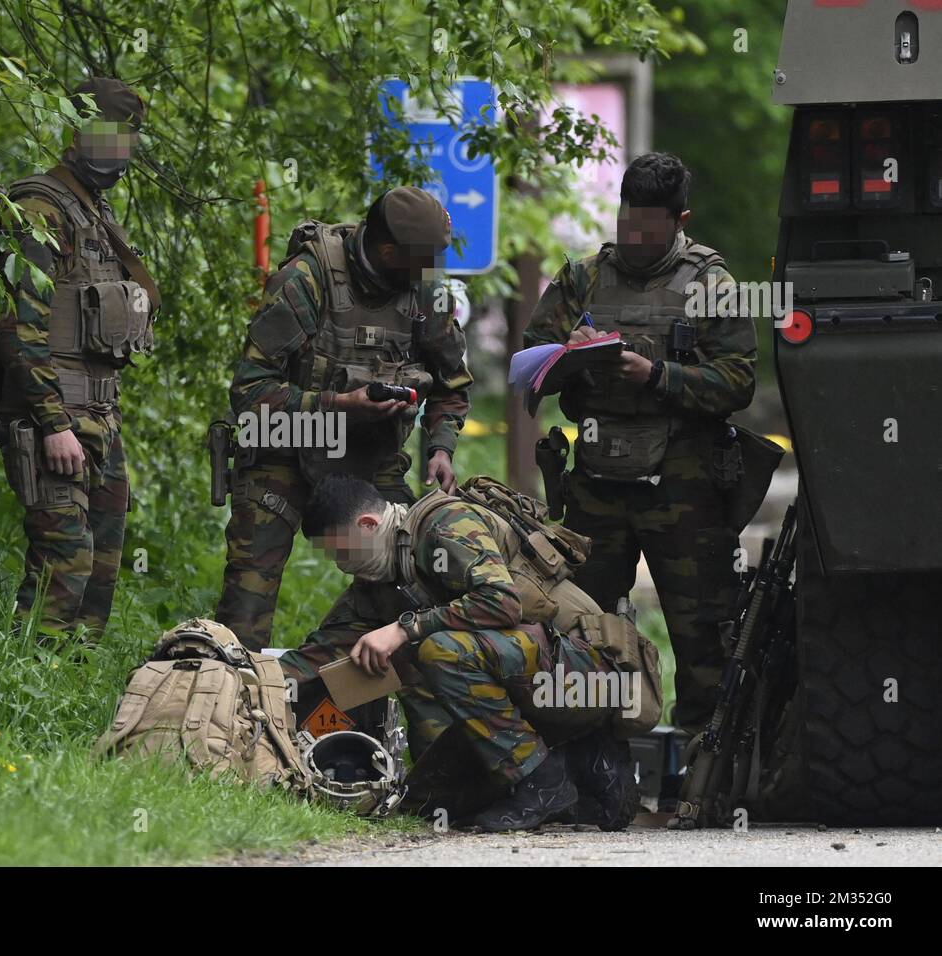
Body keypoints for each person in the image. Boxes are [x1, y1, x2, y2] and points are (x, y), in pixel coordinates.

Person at [525, 152, 756, 732]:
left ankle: (701, 780)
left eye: (652, 227)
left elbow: (739, 379)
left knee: (704, 634)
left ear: (681, 220)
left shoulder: (711, 283)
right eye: (629, 222)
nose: (637, 238)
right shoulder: (584, 277)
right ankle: (587, 772)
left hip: (684, 489)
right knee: (579, 627)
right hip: (597, 486)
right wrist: (572, 354)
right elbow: (531, 361)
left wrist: (657, 376)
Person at [280, 474, 637, 832]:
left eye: (340, 551)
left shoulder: (445, 525)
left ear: (368, 525)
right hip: (537, 682)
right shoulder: (386, 578)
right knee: (425, 803)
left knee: (441, 650)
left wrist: (404, 628)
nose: (339, 564)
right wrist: (250, 676)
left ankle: (544, 784)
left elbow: (503, 602)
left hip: (587, 675)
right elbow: (326, 650)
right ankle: (582, 764)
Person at [215, 186, 473, 649]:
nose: (433, 272)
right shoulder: (306, 279)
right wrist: (340, 405)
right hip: (285, 449)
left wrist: (440, 448)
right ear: (390, 252)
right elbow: (250, 391)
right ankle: (231, 700)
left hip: (370, 457)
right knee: (248, 597)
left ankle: (362, 695)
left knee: (411, 571)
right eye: (424, 261)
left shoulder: (426, 293)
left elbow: (452, 383)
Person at [0, 77, 158, 640]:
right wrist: (53, 423)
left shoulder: (97, 216)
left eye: (128, 139)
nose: (121, 150)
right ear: (81, 131)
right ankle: (22, 685)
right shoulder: (39, 206)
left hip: (102, 419)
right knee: (64, 559)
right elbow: (15, 326)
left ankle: (69, 689)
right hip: (52, 420)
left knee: (102, 565)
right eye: (112, 135)